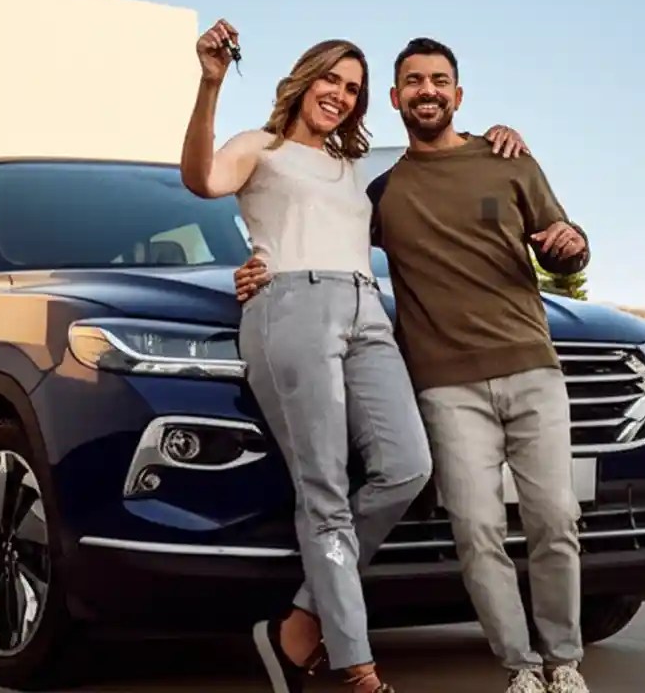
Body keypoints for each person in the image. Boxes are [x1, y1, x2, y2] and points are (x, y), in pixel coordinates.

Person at [234, 37, 593, 693]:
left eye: (440, 80)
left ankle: (564, 664)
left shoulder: (509, 159)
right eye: (413, 82)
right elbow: (313, 225)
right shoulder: (381, 189)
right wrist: (263, 264)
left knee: (555, 520)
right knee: (478, 531)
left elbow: (564, 244)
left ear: (458, 94)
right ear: (396, 99)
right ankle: (519, 670)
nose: (427, 91)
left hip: (533, 368)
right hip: (445, 384)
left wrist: (573, 248)